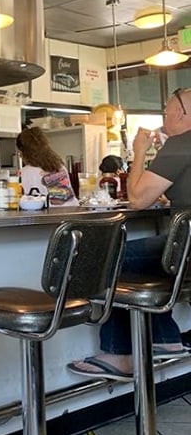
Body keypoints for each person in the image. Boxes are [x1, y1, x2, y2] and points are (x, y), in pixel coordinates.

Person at [69, 86, 191, 381]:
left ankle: (123, 352)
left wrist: (140, 151)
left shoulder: (181, 143)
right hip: (186, 249)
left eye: (166, 110)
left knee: (108, 255)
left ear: (180, 113)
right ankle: (162, 337)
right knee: (134, 260)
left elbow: (136, 198)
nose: (164, 116)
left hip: (188, 249)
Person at [15, 126, 79, 207]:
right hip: (70, 214)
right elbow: (64, 201)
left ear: (23, 151)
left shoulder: (24, 172)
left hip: (45, 217)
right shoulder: (59, 167)